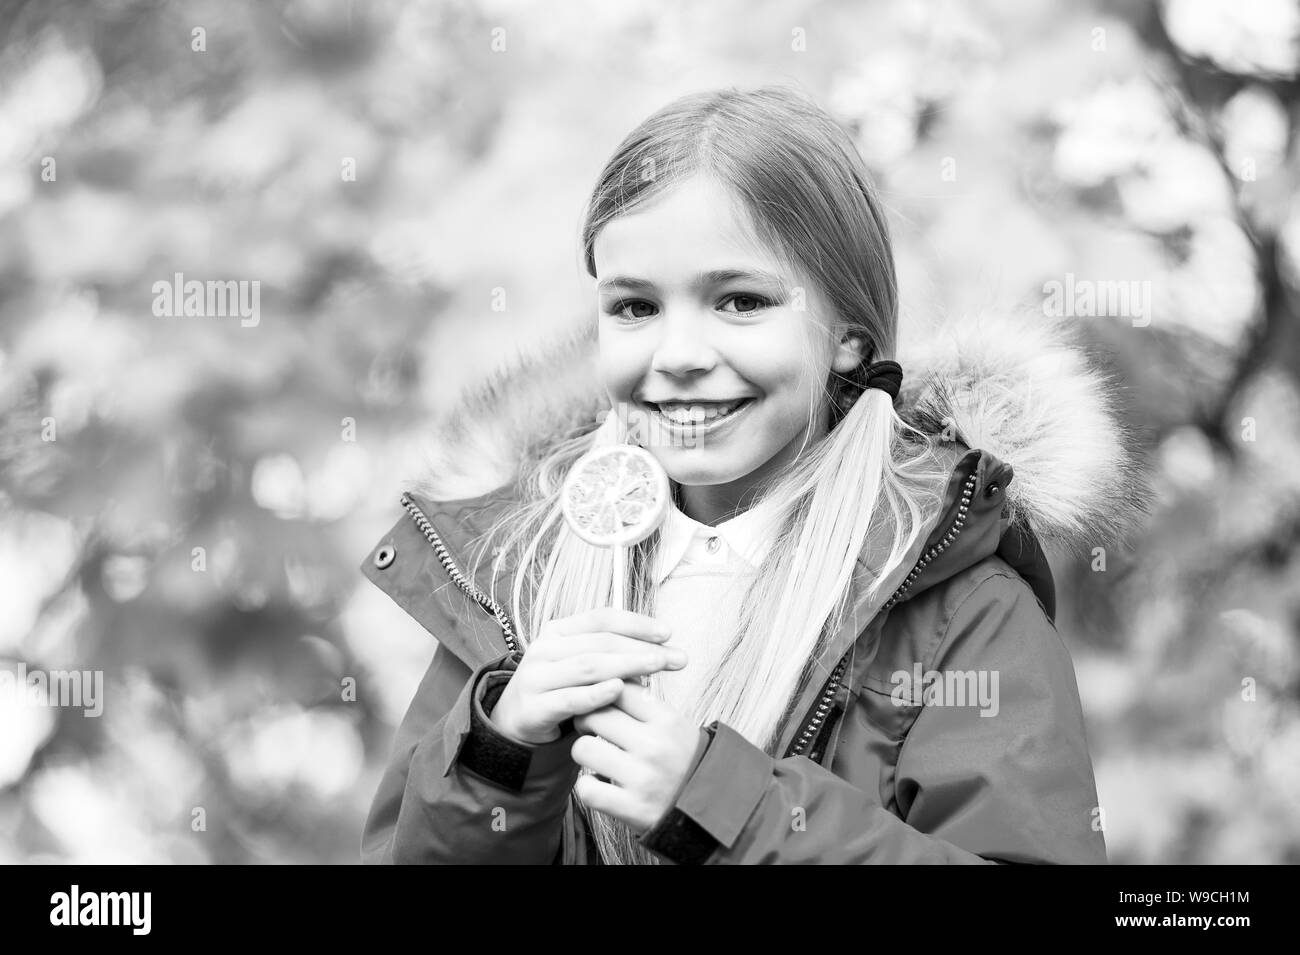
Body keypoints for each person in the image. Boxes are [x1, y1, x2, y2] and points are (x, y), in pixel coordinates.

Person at [359, 85, 1146, 865]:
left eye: (739, 301)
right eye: (635, 307)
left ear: (848, 334)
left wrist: (725, 807)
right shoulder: (512, 574)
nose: (679, 355)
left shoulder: (959, 605)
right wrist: (498, 756)